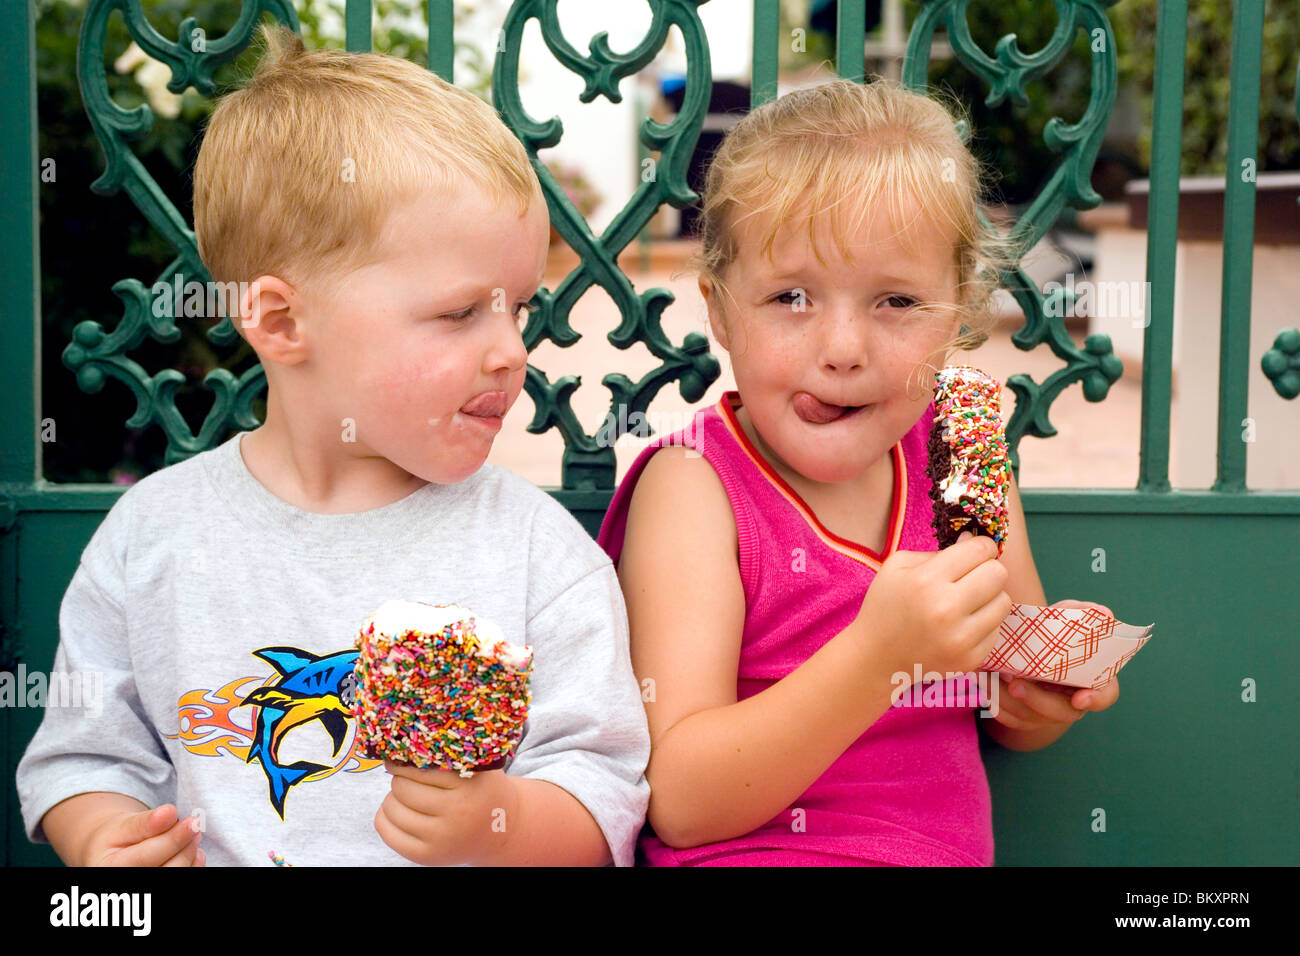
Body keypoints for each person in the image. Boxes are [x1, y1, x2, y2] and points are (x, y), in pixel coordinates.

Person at [17, 24, 649, 867]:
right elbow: (84, 757)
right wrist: (107, 840)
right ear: (280, 321)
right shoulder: (153, 537)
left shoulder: (541, 557)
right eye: (461, 313)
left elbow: (605, 794)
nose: (511, 350)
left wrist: (500, 818)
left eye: (519, 309)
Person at [597, 78, 1118, 866]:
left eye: (898, 301)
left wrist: (1050, 692)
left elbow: (1012, 714)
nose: (843, 347)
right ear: (720, 308)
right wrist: (879, 660)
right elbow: (679, 801)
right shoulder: (694, 485)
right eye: (791, 297)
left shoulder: (966, 458)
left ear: (958, 312)